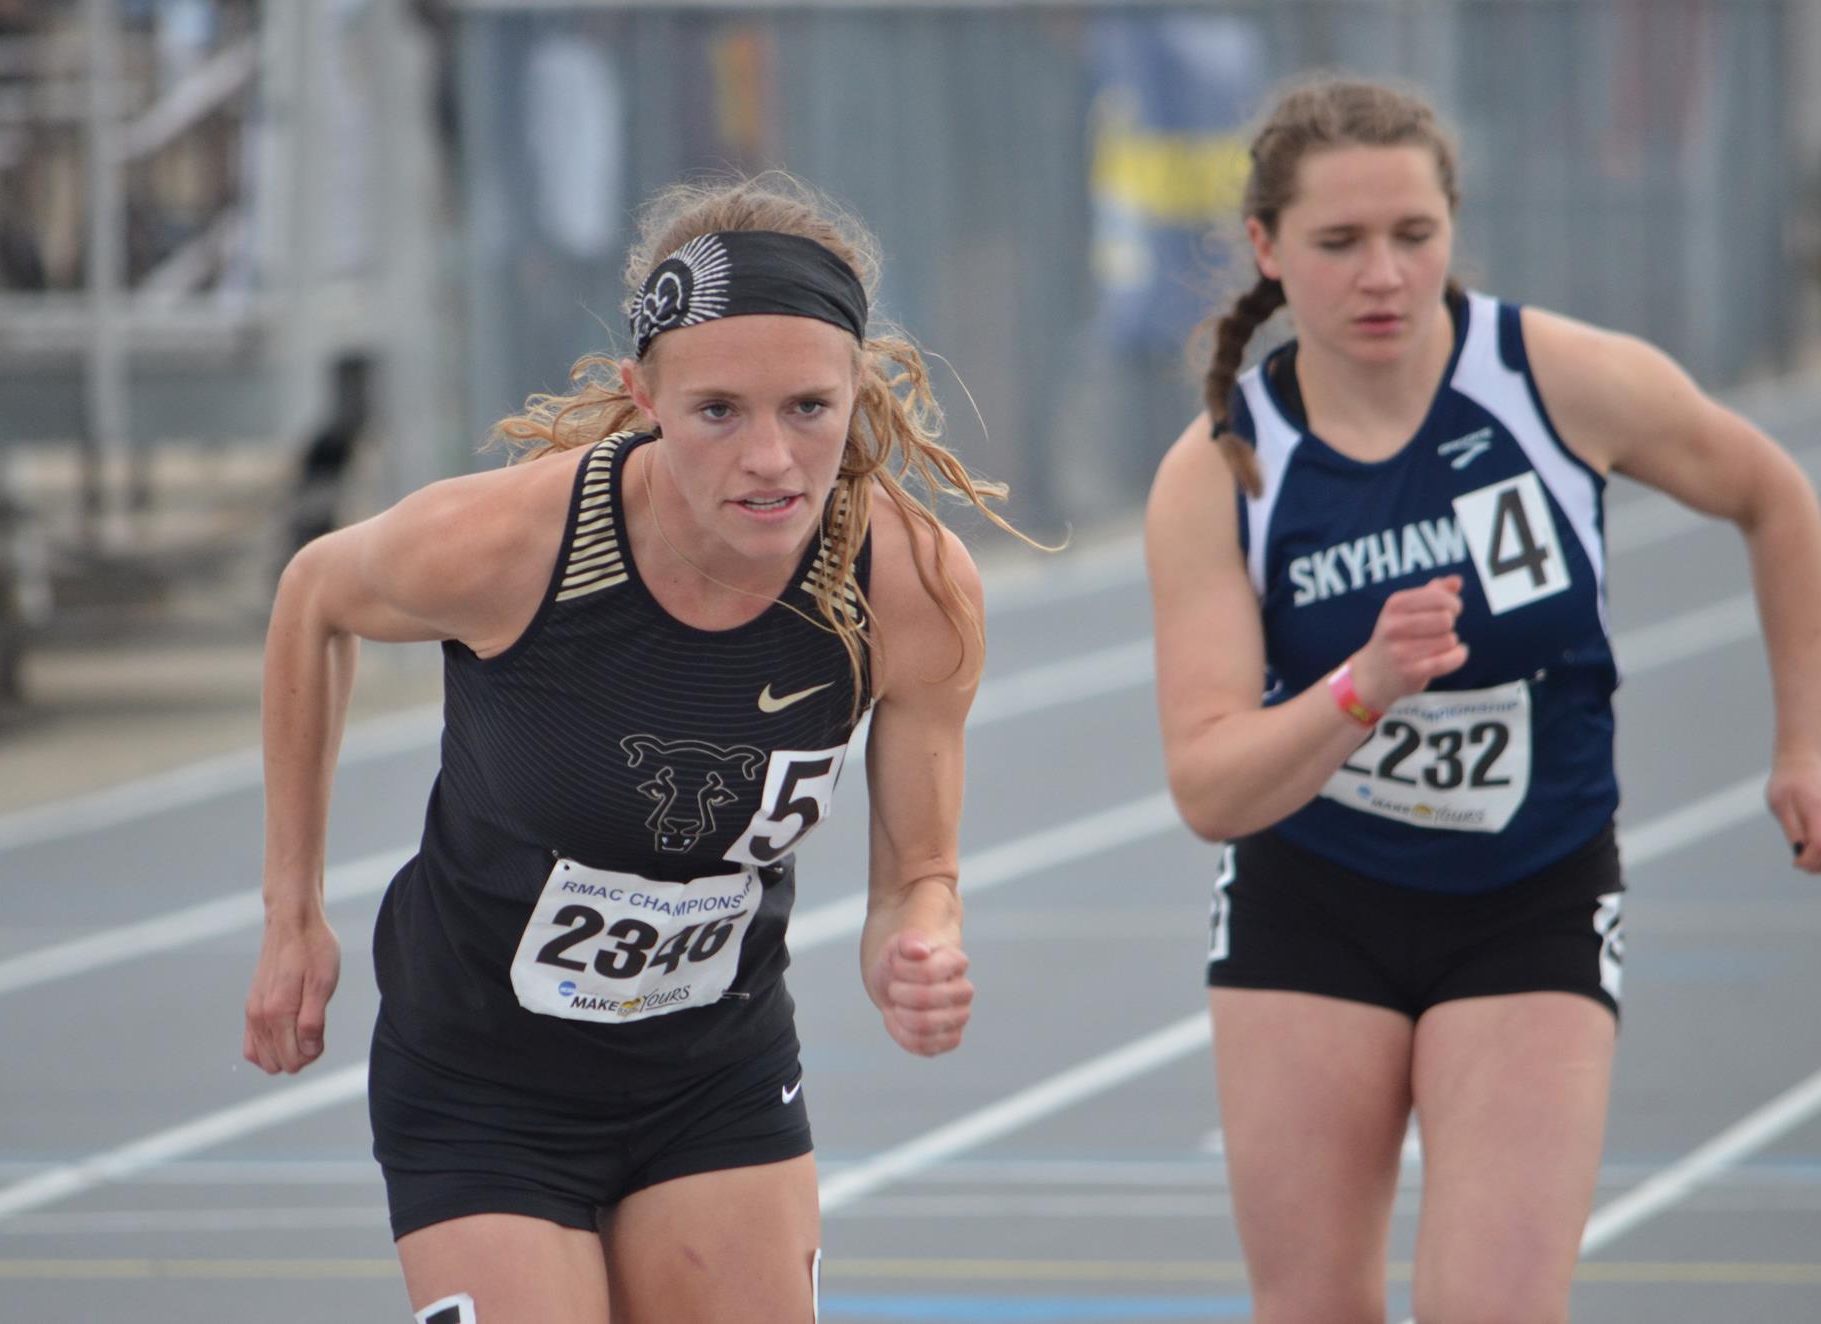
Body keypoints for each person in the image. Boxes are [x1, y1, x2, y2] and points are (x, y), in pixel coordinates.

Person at [242, 174, 1016, 1323]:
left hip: (714, 1077)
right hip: (482, 1083)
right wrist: (292, 910)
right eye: (718, 412)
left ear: (857, 388)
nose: (770, 457)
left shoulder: (907, 587)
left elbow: (917, 877)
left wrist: (919, 948)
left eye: (808, 407)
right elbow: (313, 595)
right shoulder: (508, 546)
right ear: (642, 394)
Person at [1142, 77, 1821, 1324]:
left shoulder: (1553, 380)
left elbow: (1774, 498)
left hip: (1531, 894)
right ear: (1266, 249)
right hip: (1311, 902)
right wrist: (1360, 688)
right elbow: (1207, 786)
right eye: (1339, 242)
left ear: (1451, 226)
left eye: (1413, 234)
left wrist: (1804, 740)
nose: (1382, 275)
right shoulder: (1221, 467)